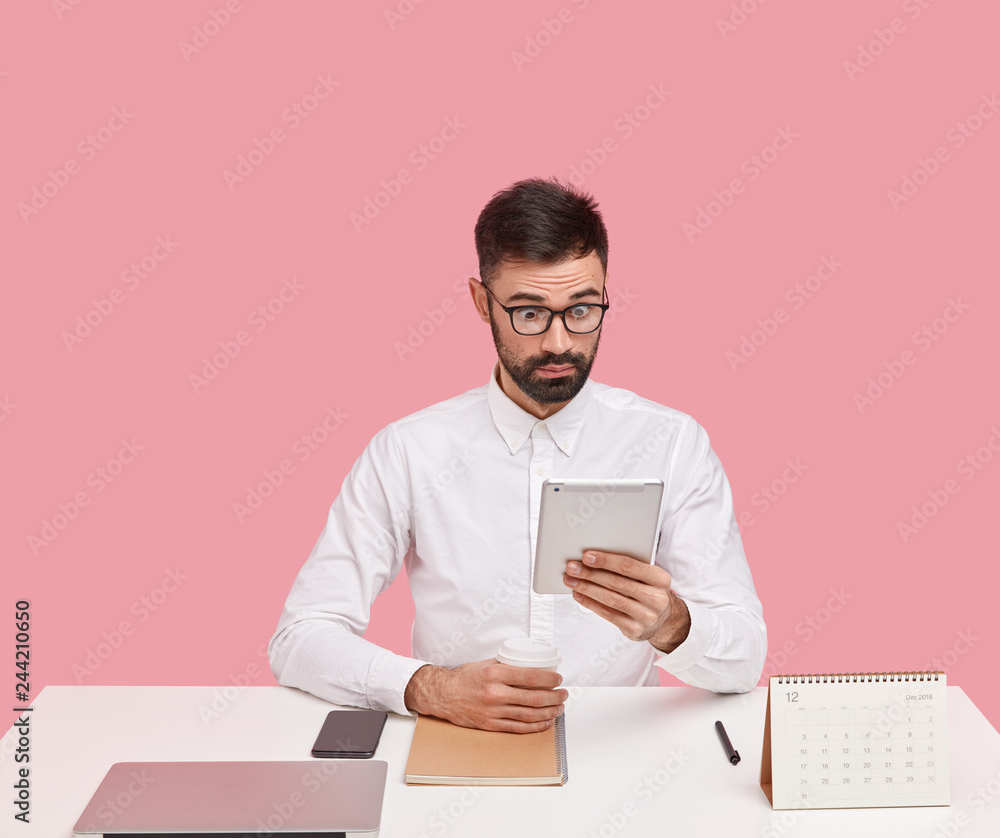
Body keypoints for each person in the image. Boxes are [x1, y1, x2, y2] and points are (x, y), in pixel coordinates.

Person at [268, 178, 766, 732]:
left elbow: (745, 658)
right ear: (483, 303)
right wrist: (431, 688)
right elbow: (300, 637)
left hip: (623, 755)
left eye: (582, 309)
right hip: (458, 744)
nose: (559, 343)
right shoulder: (409, 451)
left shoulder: (672, 444)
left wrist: (672, 625)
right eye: (530, 313)